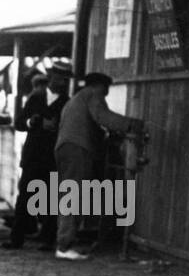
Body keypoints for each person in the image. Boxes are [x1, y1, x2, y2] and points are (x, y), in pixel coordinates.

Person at [52, 71, 144, 261]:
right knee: (73, 195)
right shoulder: (93, 95)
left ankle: (64, 241)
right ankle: (64, 245)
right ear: (98, 86)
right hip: (78, 149)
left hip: (66, 148)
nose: (107, 92)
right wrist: (133, 124)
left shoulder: (76, 98)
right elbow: (103, 117)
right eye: (106, 87)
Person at [5, 63, 71, 250]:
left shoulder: (67, 102)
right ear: (51, 77)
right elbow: (19, 123)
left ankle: (47, 240)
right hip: (33, 156)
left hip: (53, 157)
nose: (62, 82)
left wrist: (56, 127)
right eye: (59, 78)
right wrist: (31, 122)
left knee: (50, 199)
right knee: (25, 196)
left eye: (66, 79)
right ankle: (16, 239)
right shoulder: (36, 97)